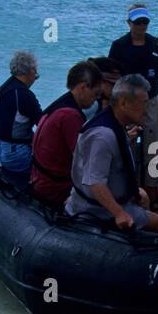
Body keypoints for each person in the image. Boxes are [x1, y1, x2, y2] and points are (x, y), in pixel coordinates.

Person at [65, 74, 158, 234]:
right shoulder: (102, 136)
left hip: (116, 200)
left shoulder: (115, 124)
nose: (147, 109)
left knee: (143, 197)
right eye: (143, 104)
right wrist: (119, 213)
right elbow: (95, 183)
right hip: (96, 209)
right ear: (123, 103)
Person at [108, 5, 158, 197]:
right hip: (126, 103)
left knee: (153, 149)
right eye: (137, 22)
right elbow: (111, 75)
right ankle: (128, 191)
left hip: (151, 100)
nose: (141, 26)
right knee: (126, 147)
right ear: (129, 23)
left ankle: (152, 196)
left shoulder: (156, 44)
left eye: (145, 21)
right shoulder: (119, 45)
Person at [30, 60, 102, 209]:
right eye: (95, 94)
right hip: (55, 188)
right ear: (83, 87)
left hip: (39, 179)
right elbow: (84, 160)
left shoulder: (58, 106)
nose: (96, 99)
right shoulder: (70, 116)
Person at [0, 51, 43, 188]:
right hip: (19, 154)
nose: (36, 77)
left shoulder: (3, 90)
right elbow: (43, 125)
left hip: (4, 151)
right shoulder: (25, 96)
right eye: (35, 72)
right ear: (29, 71)